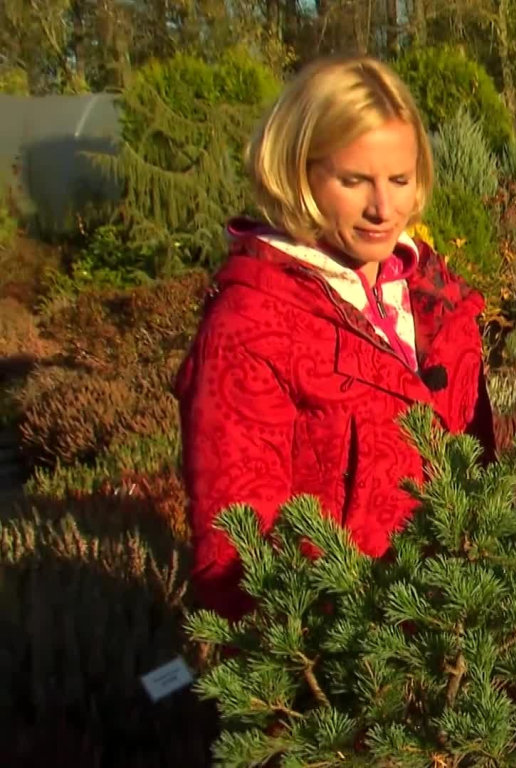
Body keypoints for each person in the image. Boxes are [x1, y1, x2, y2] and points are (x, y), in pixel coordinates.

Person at [175, 54, 495, 620]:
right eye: (354, 181)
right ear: (299, 175)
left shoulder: (439, 303)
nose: (382, 208)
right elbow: (238, 552)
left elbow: (485, 481)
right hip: (341, 654)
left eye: (399, 180)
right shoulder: (251, 328)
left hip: (465, 643)